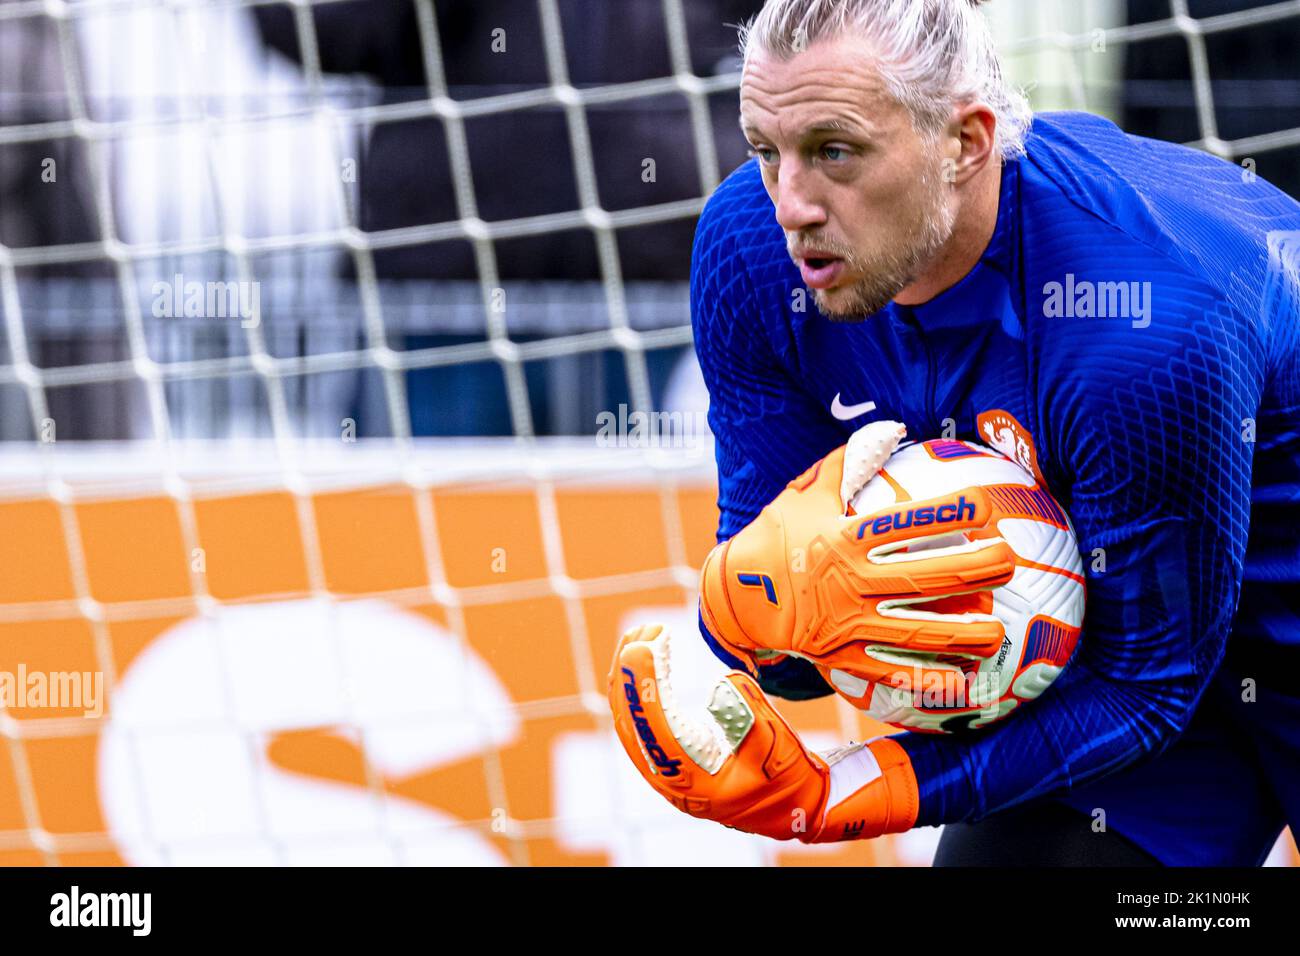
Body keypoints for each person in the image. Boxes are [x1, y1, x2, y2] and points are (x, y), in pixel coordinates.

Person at [607, 0, 1300, 866]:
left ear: (966, 143)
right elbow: (788, 657)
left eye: (834, 151)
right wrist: (743, 605)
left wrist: (844, 792)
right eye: (764, 149)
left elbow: (1144, 693)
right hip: (1137, 631)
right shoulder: (751, 256)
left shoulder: (1139, 321)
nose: (790, 204)